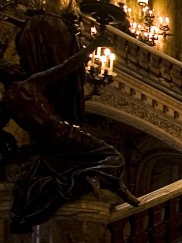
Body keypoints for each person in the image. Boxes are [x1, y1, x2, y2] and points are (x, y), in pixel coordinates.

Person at [0, 31, 139, 232]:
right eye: (12, 66)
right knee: (112, 154)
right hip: (63, 133)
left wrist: (9, 147)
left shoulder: (6, 103)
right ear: (9, 73)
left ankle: (114, 185)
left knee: (55, 164)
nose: (18, 66)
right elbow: (67, 67)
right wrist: (92, 47)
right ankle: (90, 177)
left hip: (46, 142)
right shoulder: (31, 84)